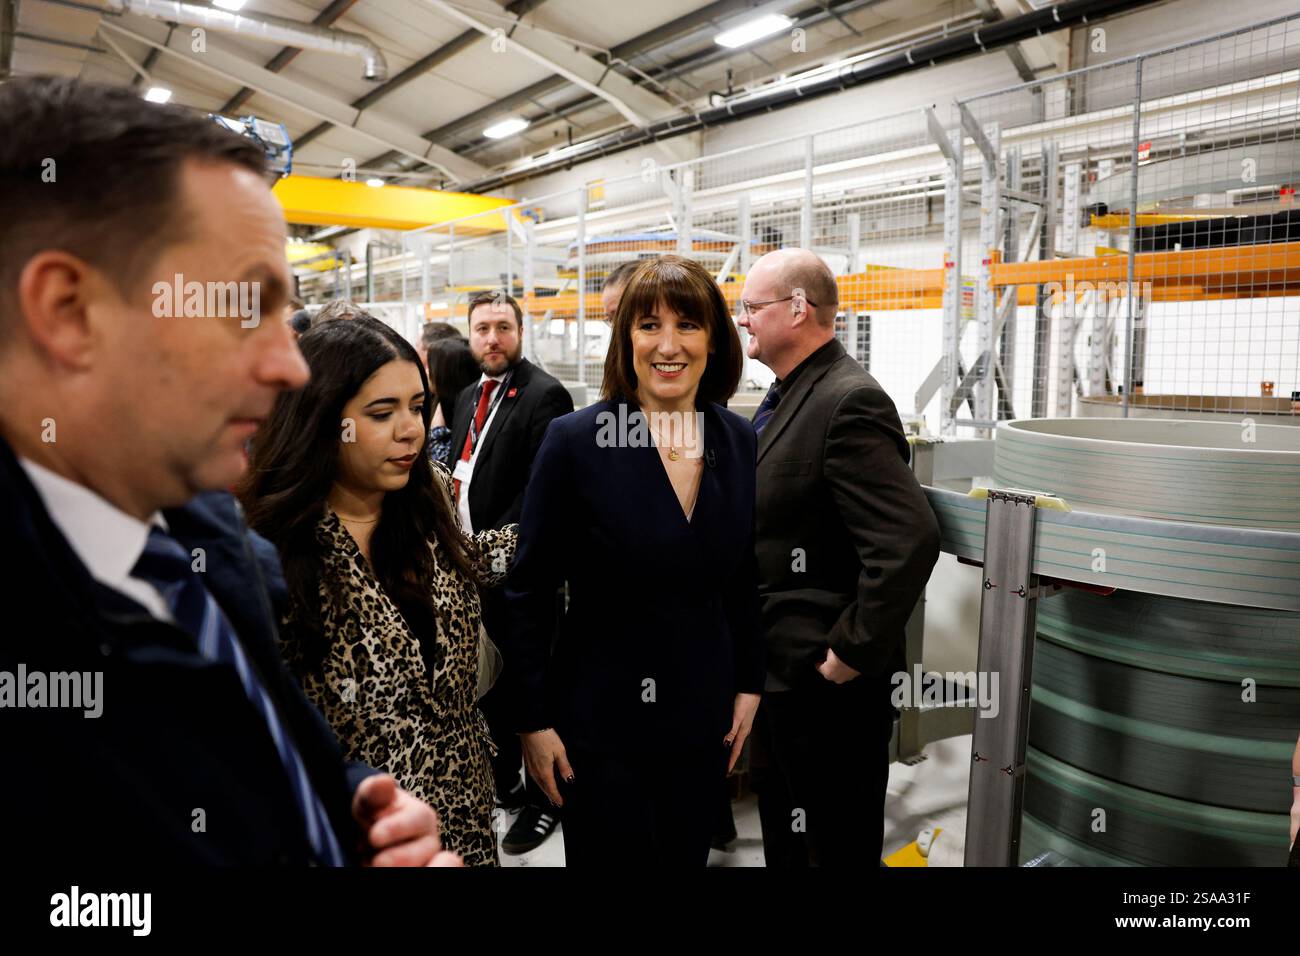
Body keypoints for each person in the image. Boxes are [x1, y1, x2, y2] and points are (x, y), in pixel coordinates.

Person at [0, 76, 458, 866]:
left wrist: (345, 812)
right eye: (246, 308)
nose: (290, 366)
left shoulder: (207, 536)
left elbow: (256, 745)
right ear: (69, 311)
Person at [504, 255, 764, 866]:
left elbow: (740, 575)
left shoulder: (736, 438)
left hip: (701, 716)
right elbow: (529, 590)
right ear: (626, 340)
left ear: (714, 340)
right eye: (649, 326)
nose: (668, 346)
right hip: (601, 724)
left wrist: (750, 682)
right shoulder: (576, 441)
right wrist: (532, 721)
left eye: (688, 325)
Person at [238, 316, 514, 867]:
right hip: (366, 837)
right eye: (382, 413)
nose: (410, 430)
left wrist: (555, 524)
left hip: (465, 815)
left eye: (417, 407)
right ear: (322, 420)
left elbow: (466, 560)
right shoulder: (272, 549)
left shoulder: (426, 493)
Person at [738, 248, 940, 868]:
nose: (743, 319)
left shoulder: (849, 401)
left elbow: (908, 538)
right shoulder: (791, 394)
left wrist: (850, 651)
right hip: (782, 672)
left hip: (826, 690)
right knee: (789, 842)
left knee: (832, 847)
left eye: (751, 306)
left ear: (797, 308)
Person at [448, 289, 574, 853]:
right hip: (470, 570)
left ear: (520, 333)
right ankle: (512, 786)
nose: (493, 338)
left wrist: (484, 551)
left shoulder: (545, 395)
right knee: (492, 686)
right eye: (482, 328)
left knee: (530, 684)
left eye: (503, 327)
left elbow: (539, 494)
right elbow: (462, 472)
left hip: (519, 571)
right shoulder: (466, 396)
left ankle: (550, 802)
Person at [426, 335, 478, 467]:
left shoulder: (472, 416)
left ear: (445, 374)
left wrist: (437, 432)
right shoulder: (436, 401)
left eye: (430, 366)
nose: (426, 371)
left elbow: (444, 468)